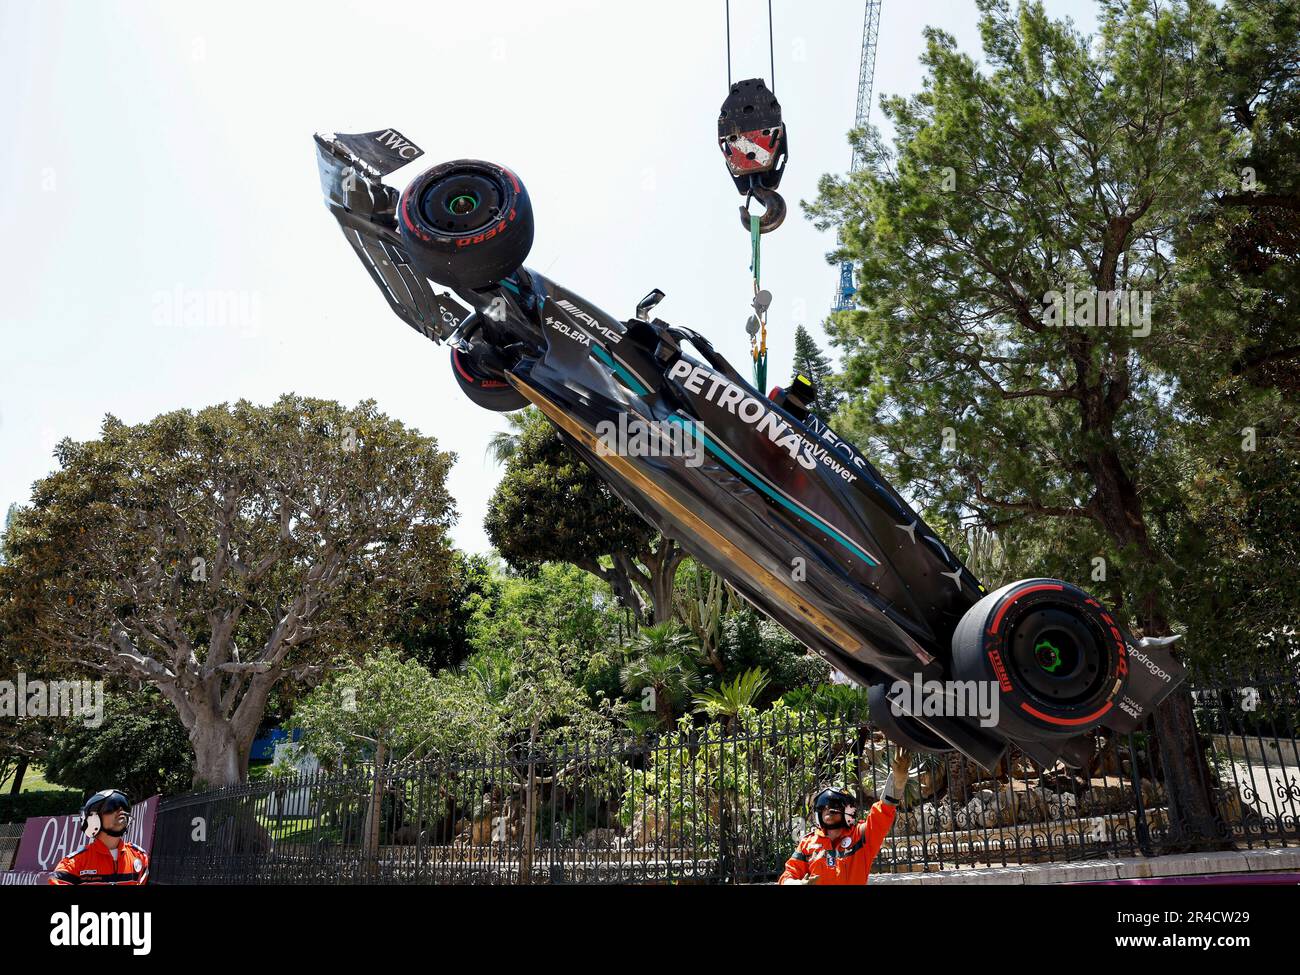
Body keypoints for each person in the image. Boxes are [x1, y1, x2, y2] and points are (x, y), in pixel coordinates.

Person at [778, 747, 911, 885]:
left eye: (835, 805)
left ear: (849, 810)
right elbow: (787, 875)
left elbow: (882, 813)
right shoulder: (807, 843)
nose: (828, 809)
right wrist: (795, 883)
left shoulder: (861, 836)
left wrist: (897, 781)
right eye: (824, 805)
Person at [48, 789, 149, 885]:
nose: (120, 810)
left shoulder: (139, 857)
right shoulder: (73, 864)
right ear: (94, 819)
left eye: (124, 806)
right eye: (111, 806)